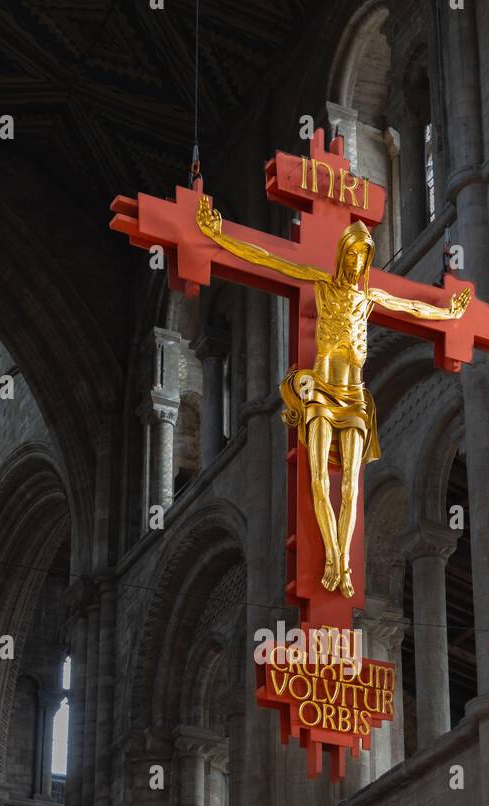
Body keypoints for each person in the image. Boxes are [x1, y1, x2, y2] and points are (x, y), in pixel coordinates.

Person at [196, 198, 471, 596]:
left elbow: (411, 306)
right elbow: (268, 260)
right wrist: (217, 234)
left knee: (353, 487)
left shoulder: (368, 300)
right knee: (319, 481)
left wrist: (449, 314)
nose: (359, 264)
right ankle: (331, 559)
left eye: (365, 257)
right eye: (354, 255)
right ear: (344, 256)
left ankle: (343, 560)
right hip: (322, 394)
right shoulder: (322, 287)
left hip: (355, 398)